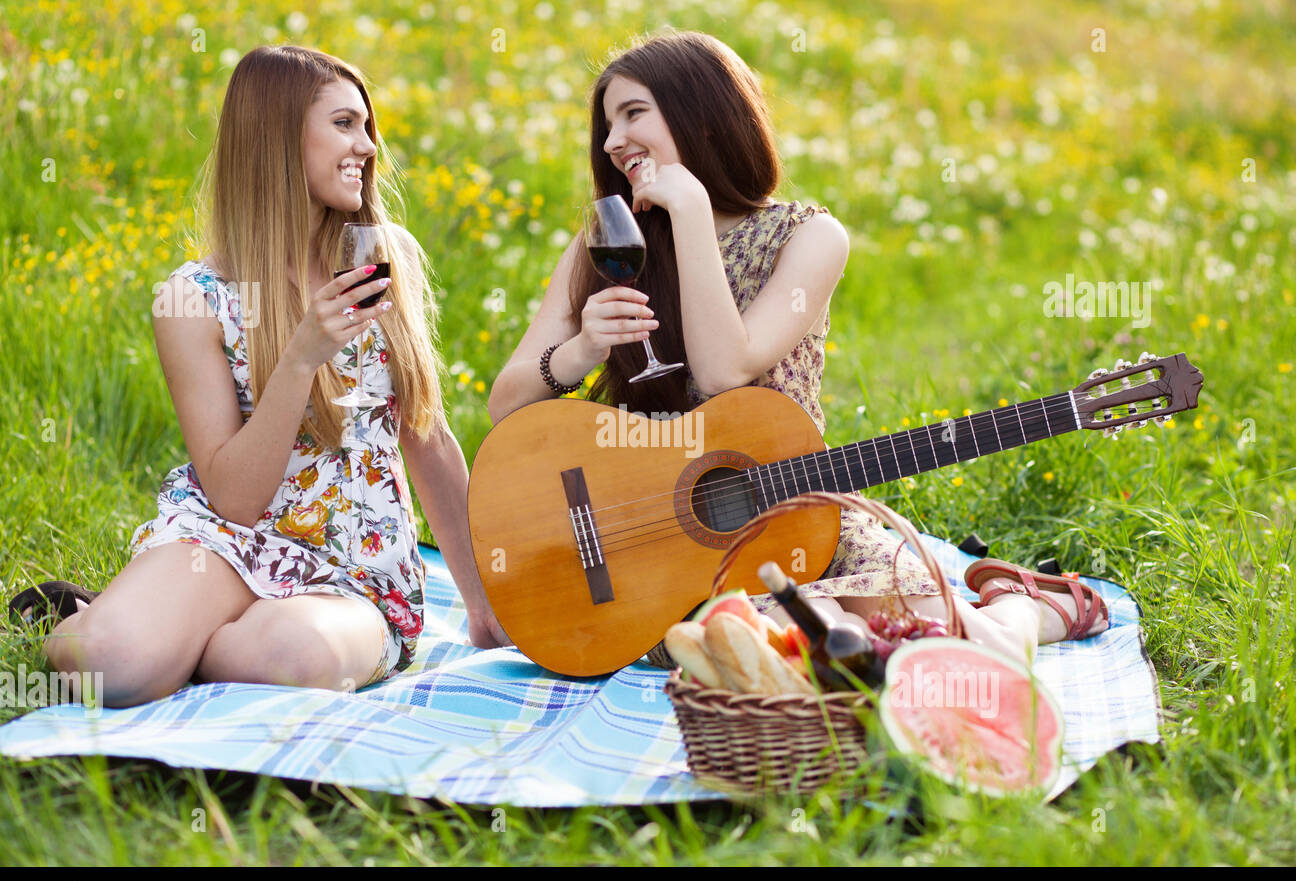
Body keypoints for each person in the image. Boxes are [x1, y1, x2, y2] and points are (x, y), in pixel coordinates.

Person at [487, 30, 1108, 666]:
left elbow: (725, 370)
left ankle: (1019, 605)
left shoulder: (809, 236)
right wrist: (581, 350)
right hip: (664, 547)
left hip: (806, 510)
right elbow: (504, 407)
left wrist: (692, 211)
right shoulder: (603, 243)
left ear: (701, 110)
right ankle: (855, 621)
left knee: (949, 650)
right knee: (810, 647)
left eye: (633, 113)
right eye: (608, 123)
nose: (613, 140)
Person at [37, 45, 509, 709]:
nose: (368, 146)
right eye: (345, 124)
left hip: (352, 573)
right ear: (280, 137)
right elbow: (233, 502)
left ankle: (184, 638)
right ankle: (93, 618)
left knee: (290, 657)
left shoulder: (383, 258)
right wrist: (300, 357)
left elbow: (424, 435)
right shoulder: (194, 297)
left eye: (367, 126)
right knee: (107, 667)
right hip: (226, 543)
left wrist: (483, 599)